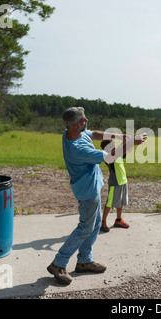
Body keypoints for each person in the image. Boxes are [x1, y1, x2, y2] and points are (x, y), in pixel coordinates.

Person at [47, 107, 146, 285]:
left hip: (91, 187)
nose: (87, 121)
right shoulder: (78, 148)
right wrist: (132, 143)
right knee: (85, 227)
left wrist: (118, 136)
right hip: (87, 191)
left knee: (94, 225)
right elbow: (110, 157)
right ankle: (58, 263)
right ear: (76, 125)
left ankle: (84, 260)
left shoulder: (73, 132)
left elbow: (95, 134)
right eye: (84, 120)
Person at [100, 139, 129, 232]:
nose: (115, 146)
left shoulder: (117, 153)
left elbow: (123, 152)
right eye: (113, 145)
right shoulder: (108, 157)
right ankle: (103, 222)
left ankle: (118, 220)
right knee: (109, 203)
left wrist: (125, 142)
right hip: (115, 183)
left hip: (123, 181)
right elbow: (116, 153)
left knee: (120, 202)